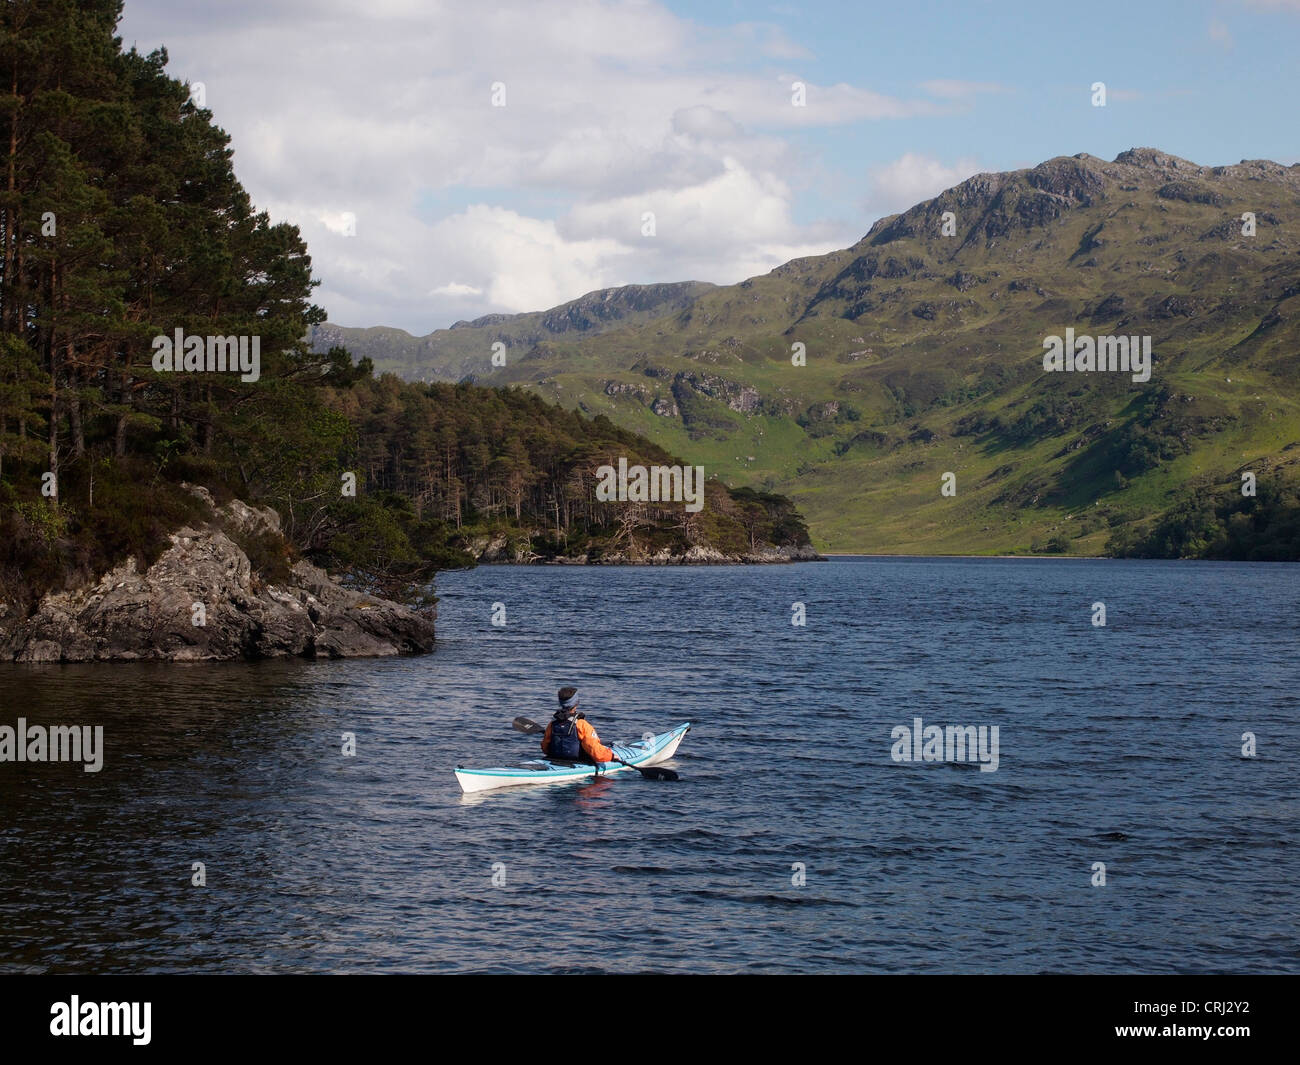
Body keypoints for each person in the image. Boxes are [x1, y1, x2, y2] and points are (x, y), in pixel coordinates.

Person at [543, 687, 615, 764]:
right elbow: (596, 752)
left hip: (554, 759)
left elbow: (545, 748)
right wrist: (611, 756)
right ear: (576, 703)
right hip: (578, 762)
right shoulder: (582, 724)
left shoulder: (552, 724)